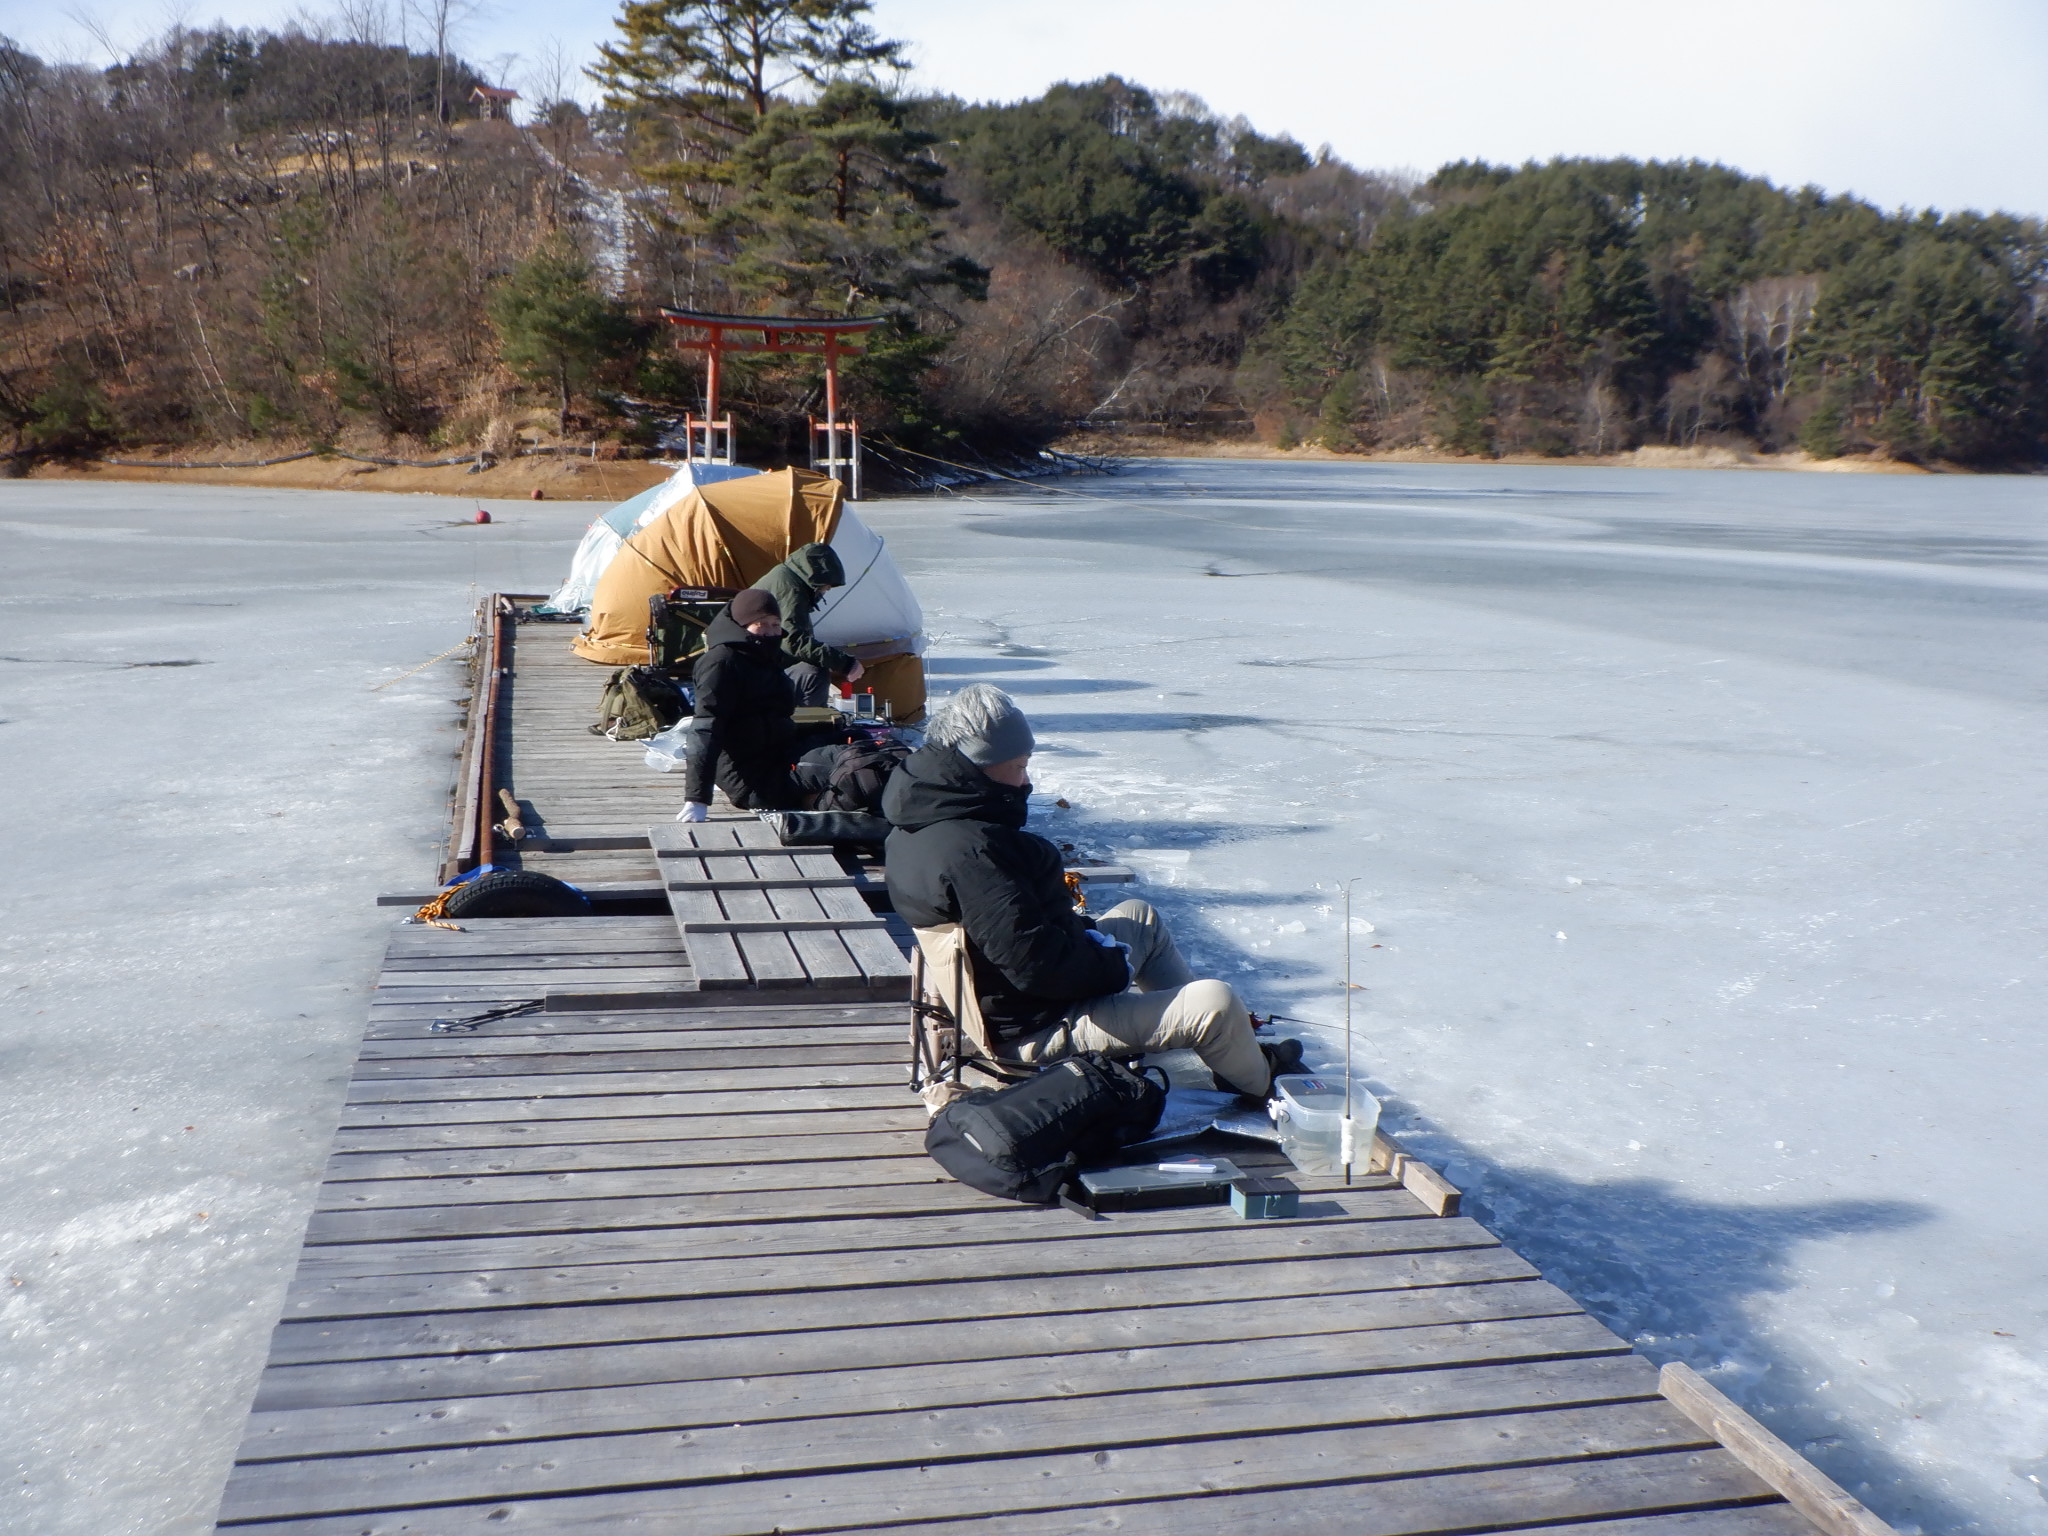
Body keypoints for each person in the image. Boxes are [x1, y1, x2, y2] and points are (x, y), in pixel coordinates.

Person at [882, 684, 1302, 1096]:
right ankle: (1265, 1085)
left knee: (1139, 918)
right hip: (1035, 1030)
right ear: (981, 765)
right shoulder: (977, 854)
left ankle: (1217, 1048)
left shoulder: (925, 818)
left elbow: (1019, 936)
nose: (1026, 780)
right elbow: (1036, 968)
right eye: (1019, 766)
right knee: (1216, 1003)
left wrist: (1086, 939)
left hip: (1014, 1001)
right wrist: (1110, 964)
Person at [678, 590, 812, 822]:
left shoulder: (764, 656)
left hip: (777, 754)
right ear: (742, 625)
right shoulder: (722, 662)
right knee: (840, 771)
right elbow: (705, 728)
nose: (770, 631)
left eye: (775, 624)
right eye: (762, 624)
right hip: (747, 777)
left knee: (852, 744)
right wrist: (697, 798)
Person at [748, 542, 865, 707]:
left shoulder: (785, 577)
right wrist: (846, 663)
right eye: (828, 585)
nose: (828, 589)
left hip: (757, 668)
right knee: (814, 672)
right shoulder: (791, 590)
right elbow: (793, 641)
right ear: (816, 577)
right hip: (756, 675)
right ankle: (811, 721)